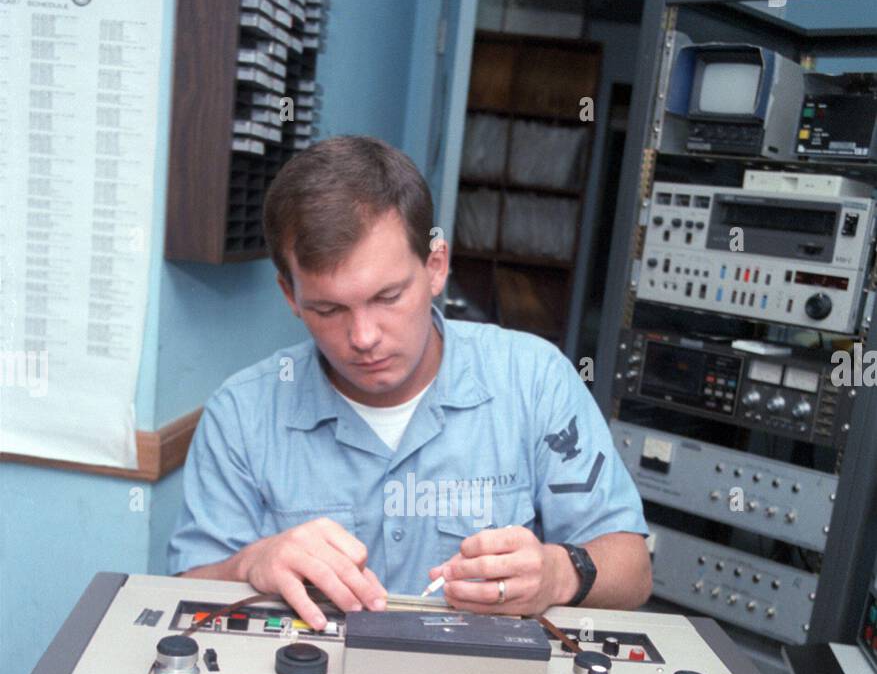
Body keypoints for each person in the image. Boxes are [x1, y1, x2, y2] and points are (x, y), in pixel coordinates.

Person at [169, 135, 651, 629]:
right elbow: (187, 596)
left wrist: (558, 573)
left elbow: (633, 569)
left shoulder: (534, 379)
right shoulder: (240, 413)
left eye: (388, 297)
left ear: (435, 266)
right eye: (329, 309)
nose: (363, 337)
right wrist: (252, 563)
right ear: (290, 296)